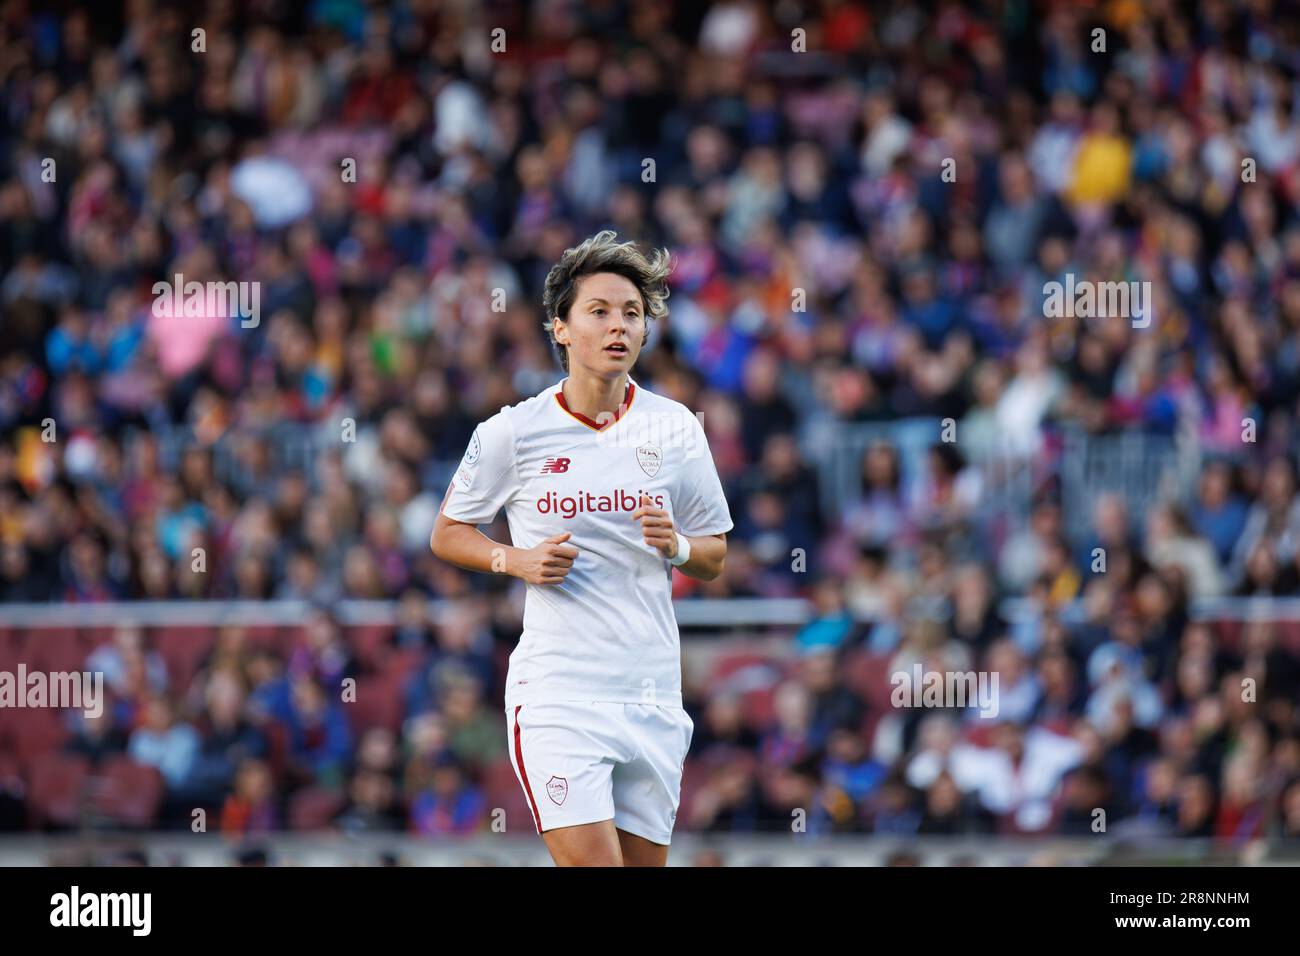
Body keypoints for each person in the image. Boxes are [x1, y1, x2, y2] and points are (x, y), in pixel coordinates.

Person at [431, 231, 732, 865]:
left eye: (632, 313)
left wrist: (676, 545)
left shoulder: (675, 428)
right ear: (561, 329)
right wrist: (514, 561)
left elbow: (714, 555)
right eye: (598, 311)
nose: (618, 326)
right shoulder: (513, 431)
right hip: (559, 694)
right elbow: (447, 532)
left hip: (651, 693)